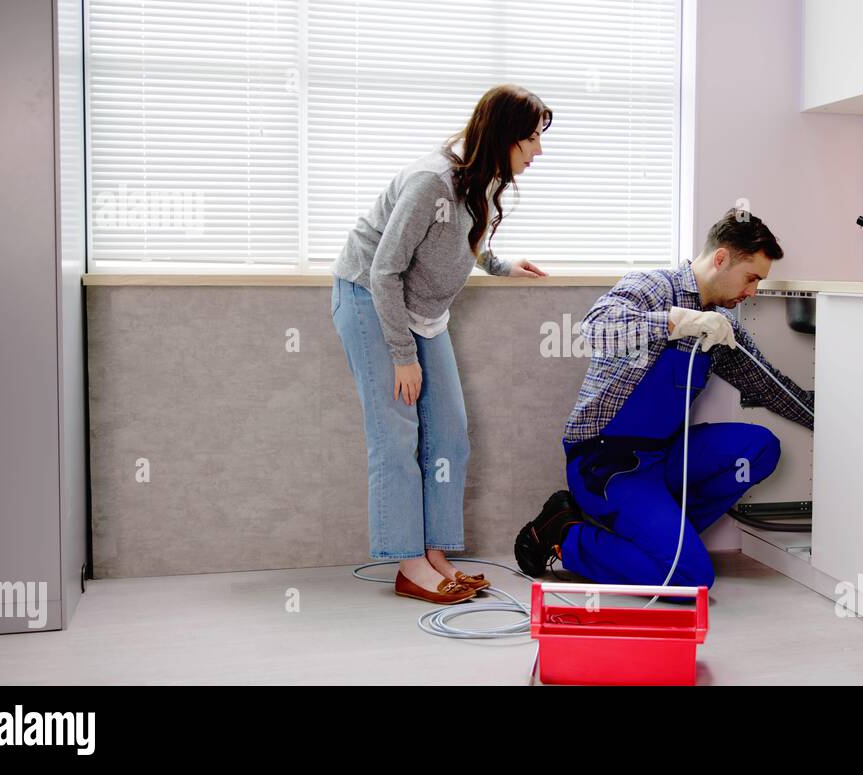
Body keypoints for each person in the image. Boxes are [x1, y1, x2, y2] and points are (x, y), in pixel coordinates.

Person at [515, 209, 815, 590]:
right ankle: (567, 534)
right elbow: (594, 331)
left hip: (665, 456)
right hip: (608, 462)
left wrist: (829, 421)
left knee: (759, 448)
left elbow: (770, 387)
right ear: (721, 259)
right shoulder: (655, 287)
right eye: (751, 277)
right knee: (692, 577)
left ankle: (664, 541)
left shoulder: (723, 326)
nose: (752, 291)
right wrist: (678, 323)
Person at [332, 85, 550, 604]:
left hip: (424, 313)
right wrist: (402, 357)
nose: (538, 150)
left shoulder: (478, 178)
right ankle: (408, 564)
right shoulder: (431, 182)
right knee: (396, 434)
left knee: (449, 432)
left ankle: (433, 552)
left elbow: (459, 239)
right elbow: (384, 269)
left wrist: (500, 266)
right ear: (503, 137)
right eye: (532, 139)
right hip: (370, 298)